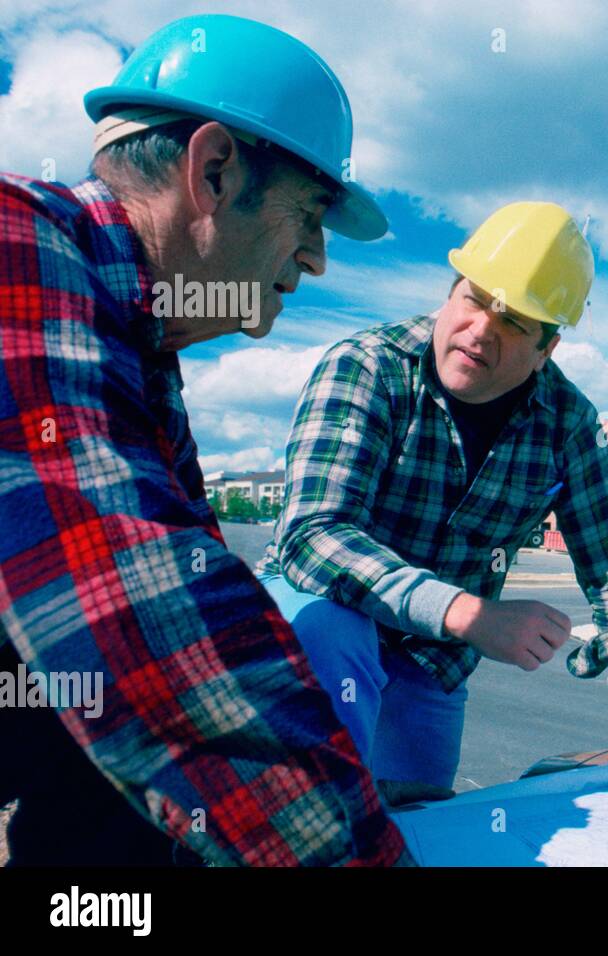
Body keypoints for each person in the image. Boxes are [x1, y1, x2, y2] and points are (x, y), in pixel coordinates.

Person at [0, 14, 408, 865]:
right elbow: (150, 626)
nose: (320, 259)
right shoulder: (15, 244)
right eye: (312, 212)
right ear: (215, 172)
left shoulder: (142, 354)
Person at [254, 202, 608, 801]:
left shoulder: (568, 423)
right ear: (451, 293)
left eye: (516, 321)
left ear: (546, 349)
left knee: (421, 822)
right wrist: (470, 614)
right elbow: (314, 538)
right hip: (322, 621)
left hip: (431, 662)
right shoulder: (365, 367)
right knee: (323, 783)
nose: (481, 329)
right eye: (475, 299)